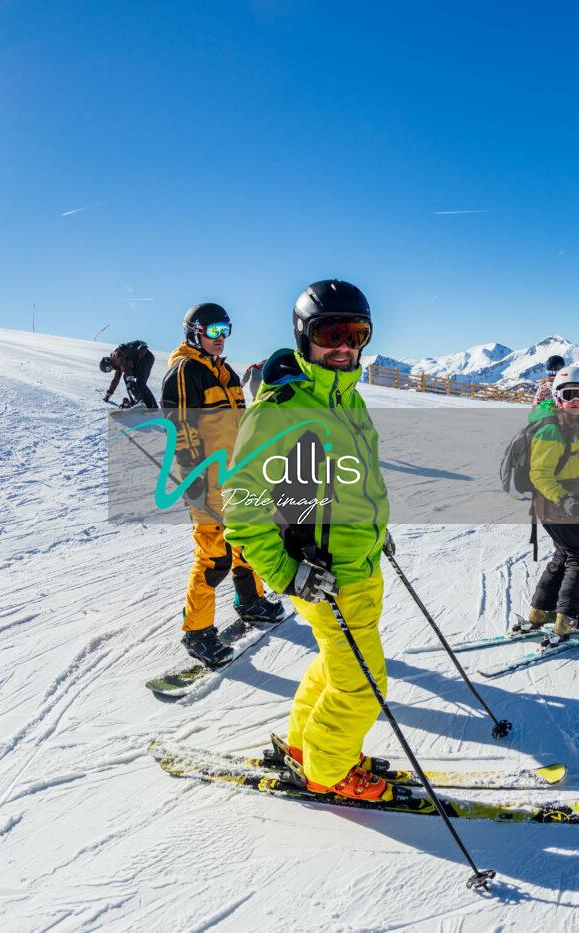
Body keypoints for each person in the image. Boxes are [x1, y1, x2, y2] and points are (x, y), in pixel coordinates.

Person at [223, 279, 393, 802]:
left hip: (359, 565)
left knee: (335, 664)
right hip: (325, 575)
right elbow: (242, 505)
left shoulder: (349, 400)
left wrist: (377, 532)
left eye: (355, 333)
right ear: (305, 336)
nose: (344, 346)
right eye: (330, 332)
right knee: (363, 684)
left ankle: (304, 747)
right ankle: (328, 769)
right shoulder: (283, 408)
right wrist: (286, 573)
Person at [161, 303, 280, 667]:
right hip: (206, 481)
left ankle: (251, 600)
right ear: (194, 332)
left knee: (246, 540)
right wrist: (192, 479)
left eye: (225, 330)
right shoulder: (185, 371)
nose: (221, 337)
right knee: (214, 558)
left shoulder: (225, 372)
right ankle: (197, 634)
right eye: (213, 331)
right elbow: (180, 429)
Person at [518, 366, 579, 641]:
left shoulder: (575, 426)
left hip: (562, 502)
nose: (576, 401)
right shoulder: (552, 430)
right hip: (555, 502)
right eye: (569, 395)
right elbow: (539, 474)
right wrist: (564, 500)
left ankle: (541, 612)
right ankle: (569, 619)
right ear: (557, 397)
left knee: (564, 554)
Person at [100, 339, 158, 409]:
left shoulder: (117, 355)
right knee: (127, 378)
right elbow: (116, 380)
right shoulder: (116, 364)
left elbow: (126, 366)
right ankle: (138, 397)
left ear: (107, 362)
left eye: (107, 369)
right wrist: (108, 394)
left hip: (145, 357)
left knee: (140, 383)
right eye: (108, 371)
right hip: (137, 363)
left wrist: (130, 380)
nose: (110, 370)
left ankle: (153, 407)